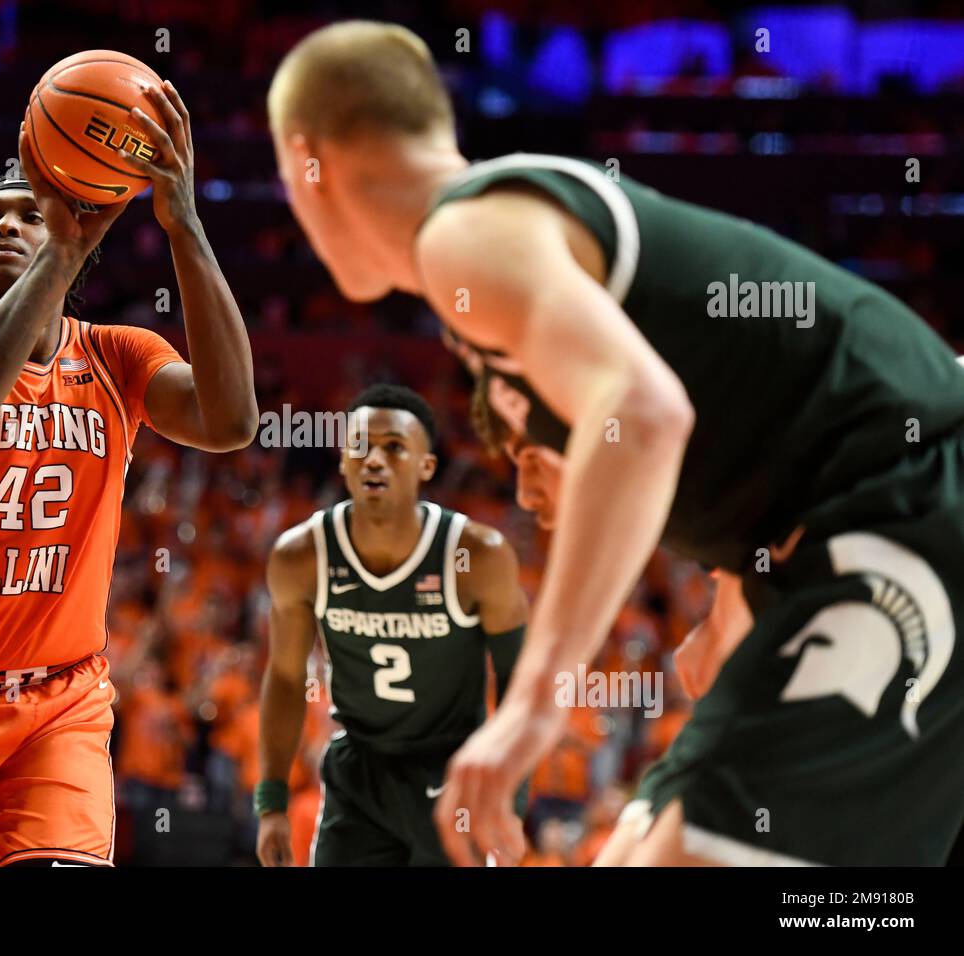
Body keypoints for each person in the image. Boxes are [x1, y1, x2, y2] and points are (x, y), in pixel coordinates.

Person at [267, 20, 964, 865]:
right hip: (861, 526)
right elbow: (757, 408)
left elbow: (644, 414)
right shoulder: (498, 248)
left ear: (306, 159)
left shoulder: (467, 231)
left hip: (915, 502)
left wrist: (533, 704)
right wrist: (736, 603)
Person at [0, 78, 258, 866]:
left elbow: (231, 422)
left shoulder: (116, 355)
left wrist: (186, 225)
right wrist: (61, 251)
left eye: (32, 214)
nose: (6, 225)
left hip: (56, 704)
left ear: (80, 237)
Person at [256, 384, 526, 865]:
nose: (374, 460)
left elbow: (516, 681)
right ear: (341, 461)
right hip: (358, 773)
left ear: (427, 466)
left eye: (394, 448)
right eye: (360, 447)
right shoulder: (302, 555)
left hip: (450, 773)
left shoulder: (476, 556)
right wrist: (272, 801)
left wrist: (511, 798)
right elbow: (284, 676)